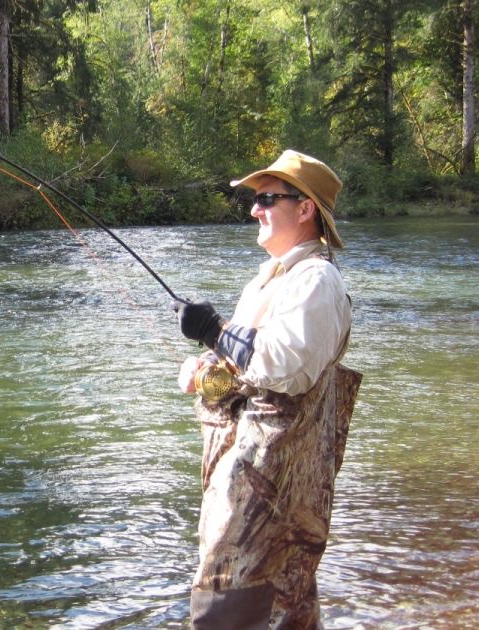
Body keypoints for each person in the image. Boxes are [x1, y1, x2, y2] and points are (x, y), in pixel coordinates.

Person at [172, 150, 362, 629]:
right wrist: (206, 364)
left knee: (237, 604)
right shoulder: (271, 278)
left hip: (277, 485)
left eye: (268, 199)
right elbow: (246, 355)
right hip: (250, 474)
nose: (254, 210)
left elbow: (283, 366)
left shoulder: (317, 279)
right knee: (282, 603)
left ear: (305, 210)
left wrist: (213, 328)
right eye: (255, 200)